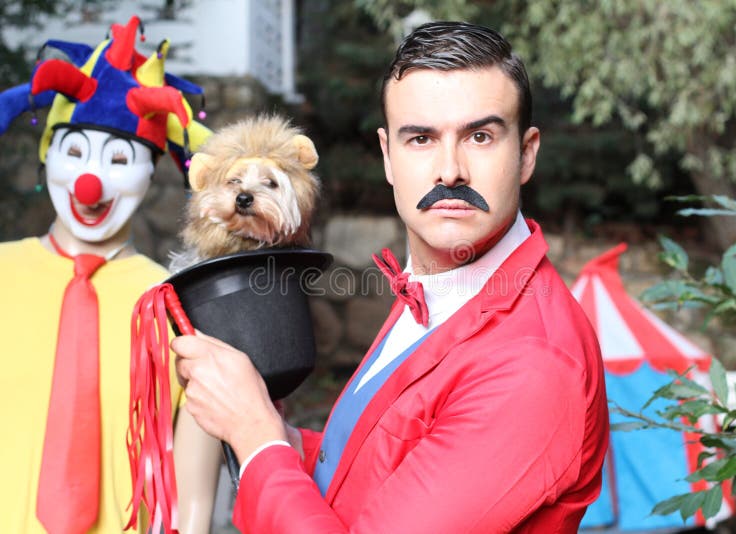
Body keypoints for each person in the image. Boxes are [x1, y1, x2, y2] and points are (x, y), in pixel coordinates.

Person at [173, 21, 609, 533]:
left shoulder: (531, 362)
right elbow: (385, 471)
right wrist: (286, 442)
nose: (450, 171)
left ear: (526, 153)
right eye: (421, 138)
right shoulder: (437, 289)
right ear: (388, 156)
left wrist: (257, 439)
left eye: (481, 136)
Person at [0, 16, 220, 534]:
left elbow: (193, 507)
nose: (89, 180)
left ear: (151, 172)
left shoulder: (178, 306)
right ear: (47, 156)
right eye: (73, 152)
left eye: (118, 158)